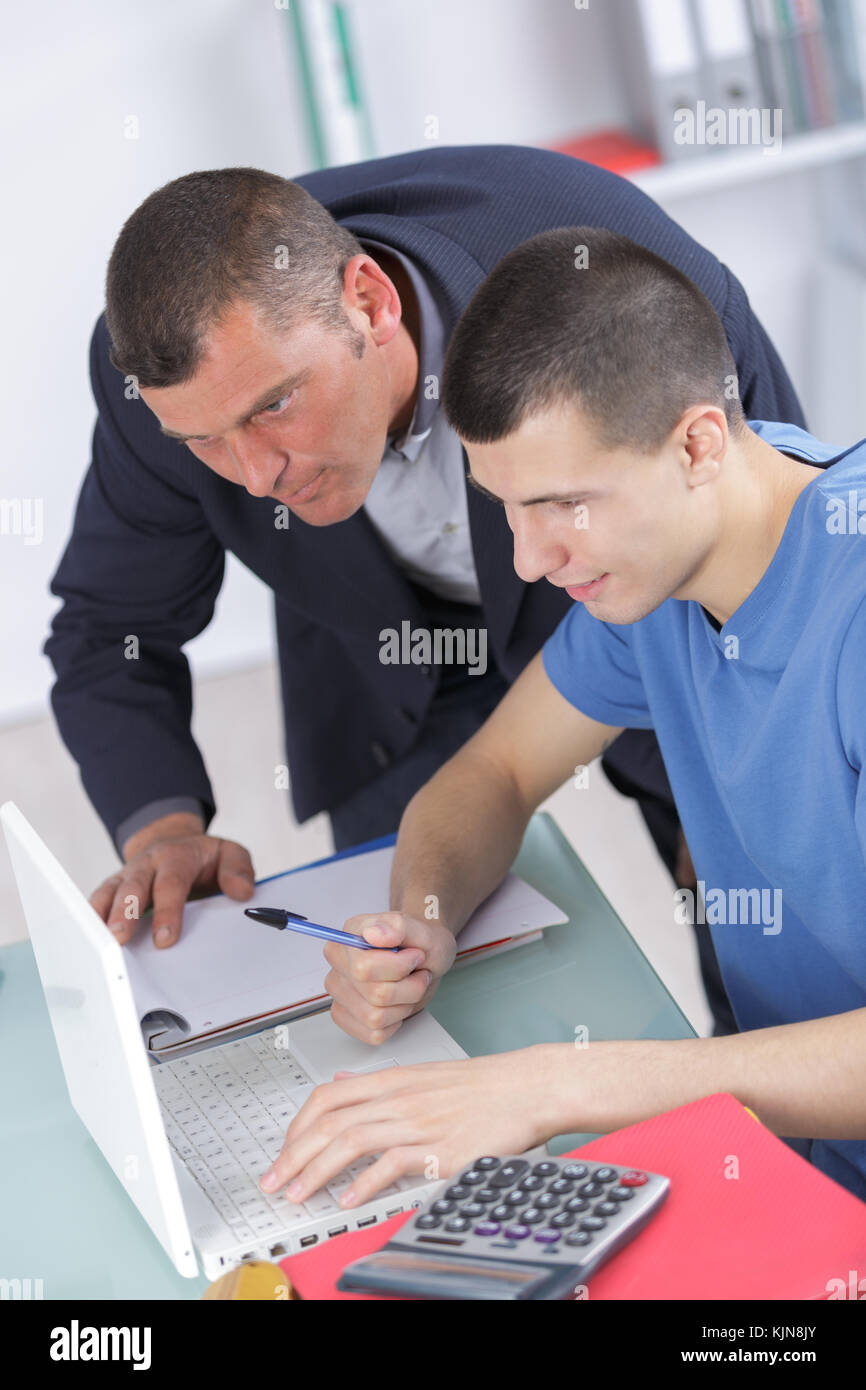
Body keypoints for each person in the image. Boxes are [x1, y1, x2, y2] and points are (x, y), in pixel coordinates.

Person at [46, 146, 803, 1038]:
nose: (251, 476)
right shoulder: (169, 386)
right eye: (204, 441)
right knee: (398, 979)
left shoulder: (633, 295)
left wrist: (735, 797)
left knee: (757, 914)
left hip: (629, 614)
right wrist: (161, 830)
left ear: (369, 303)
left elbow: (760, 566)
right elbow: (109, 629)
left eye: (273, 409)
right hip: (389, 663)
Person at [256, 227, 866, 1211]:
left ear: (697, 443)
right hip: (795, 1153)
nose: (531, 560)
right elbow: (492, 773)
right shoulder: (665, 570)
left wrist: (553, 1085)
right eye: (506, 508)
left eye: (561, 505)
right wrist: (420, 923)